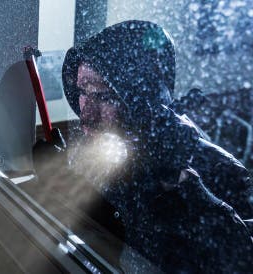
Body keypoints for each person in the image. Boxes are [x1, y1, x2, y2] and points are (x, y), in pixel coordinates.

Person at [34, 20, 253, 272]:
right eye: (83, 91)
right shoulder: (103, 151)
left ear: (144, 102)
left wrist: (181, 185)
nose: (87, 114)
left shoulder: (220, 170)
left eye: (104, 96)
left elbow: (242, 261)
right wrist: (56, 176)